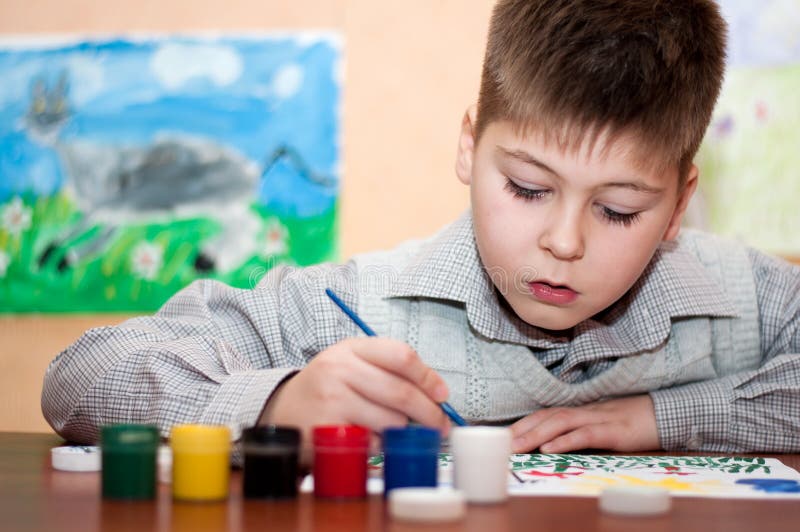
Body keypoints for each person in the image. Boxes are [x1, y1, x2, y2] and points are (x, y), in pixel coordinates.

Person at [42, 0, 800, 456]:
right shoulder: (356, 304)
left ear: (677, 205)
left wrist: (666, 418)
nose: (564, 243)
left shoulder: (744, 295)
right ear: (470, 148)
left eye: (618, 210)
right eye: (529, 188)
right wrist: (277, 404)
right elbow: (79, 378)